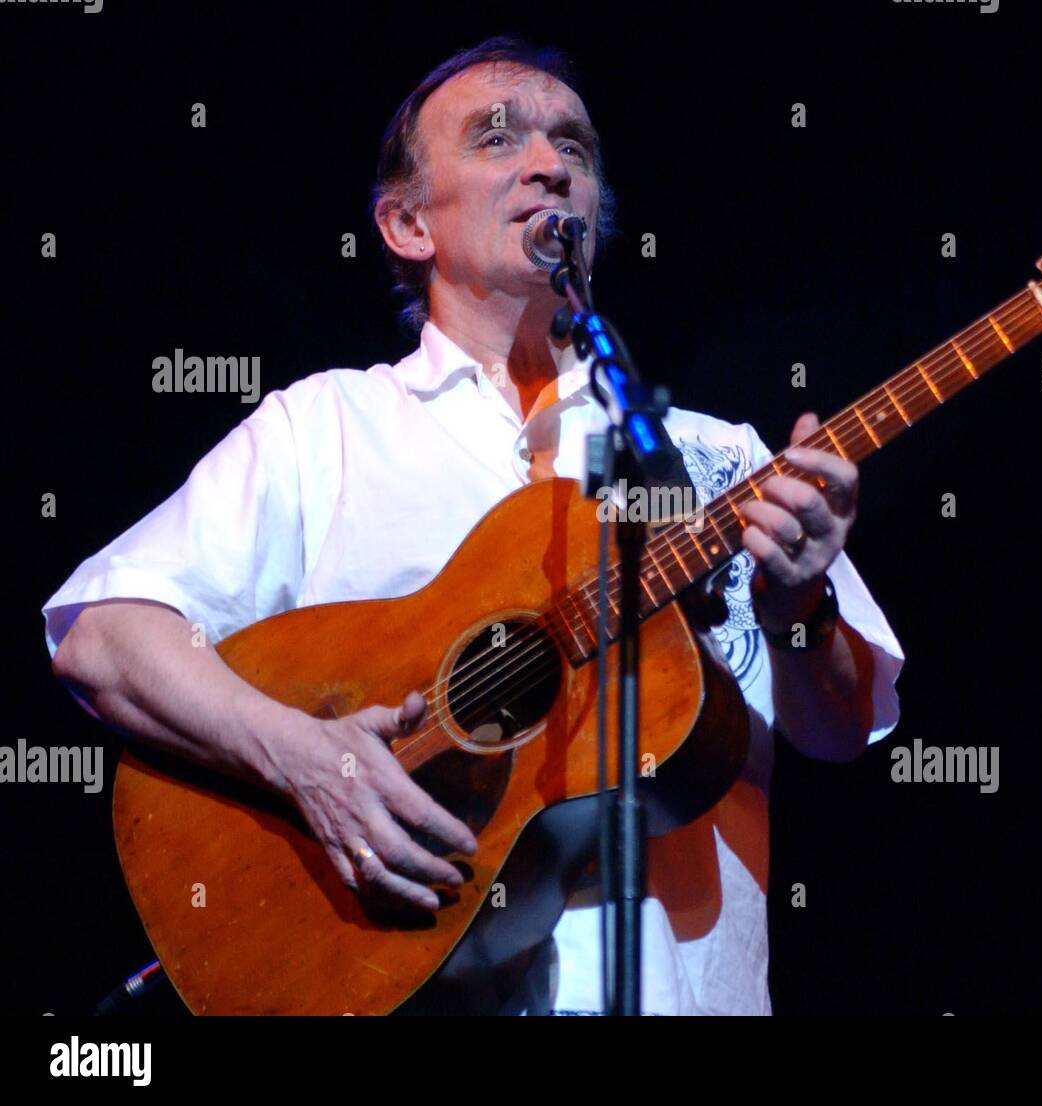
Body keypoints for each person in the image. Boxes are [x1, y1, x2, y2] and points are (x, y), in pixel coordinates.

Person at [43, 36, 904, 1016]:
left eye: (572, 147)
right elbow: (105, 636)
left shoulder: (718, 460)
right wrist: (303, 754)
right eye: (498, 139)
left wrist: (799, 606)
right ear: (407, 222)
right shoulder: (322, 426)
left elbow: (839, 728)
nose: (548, 162)